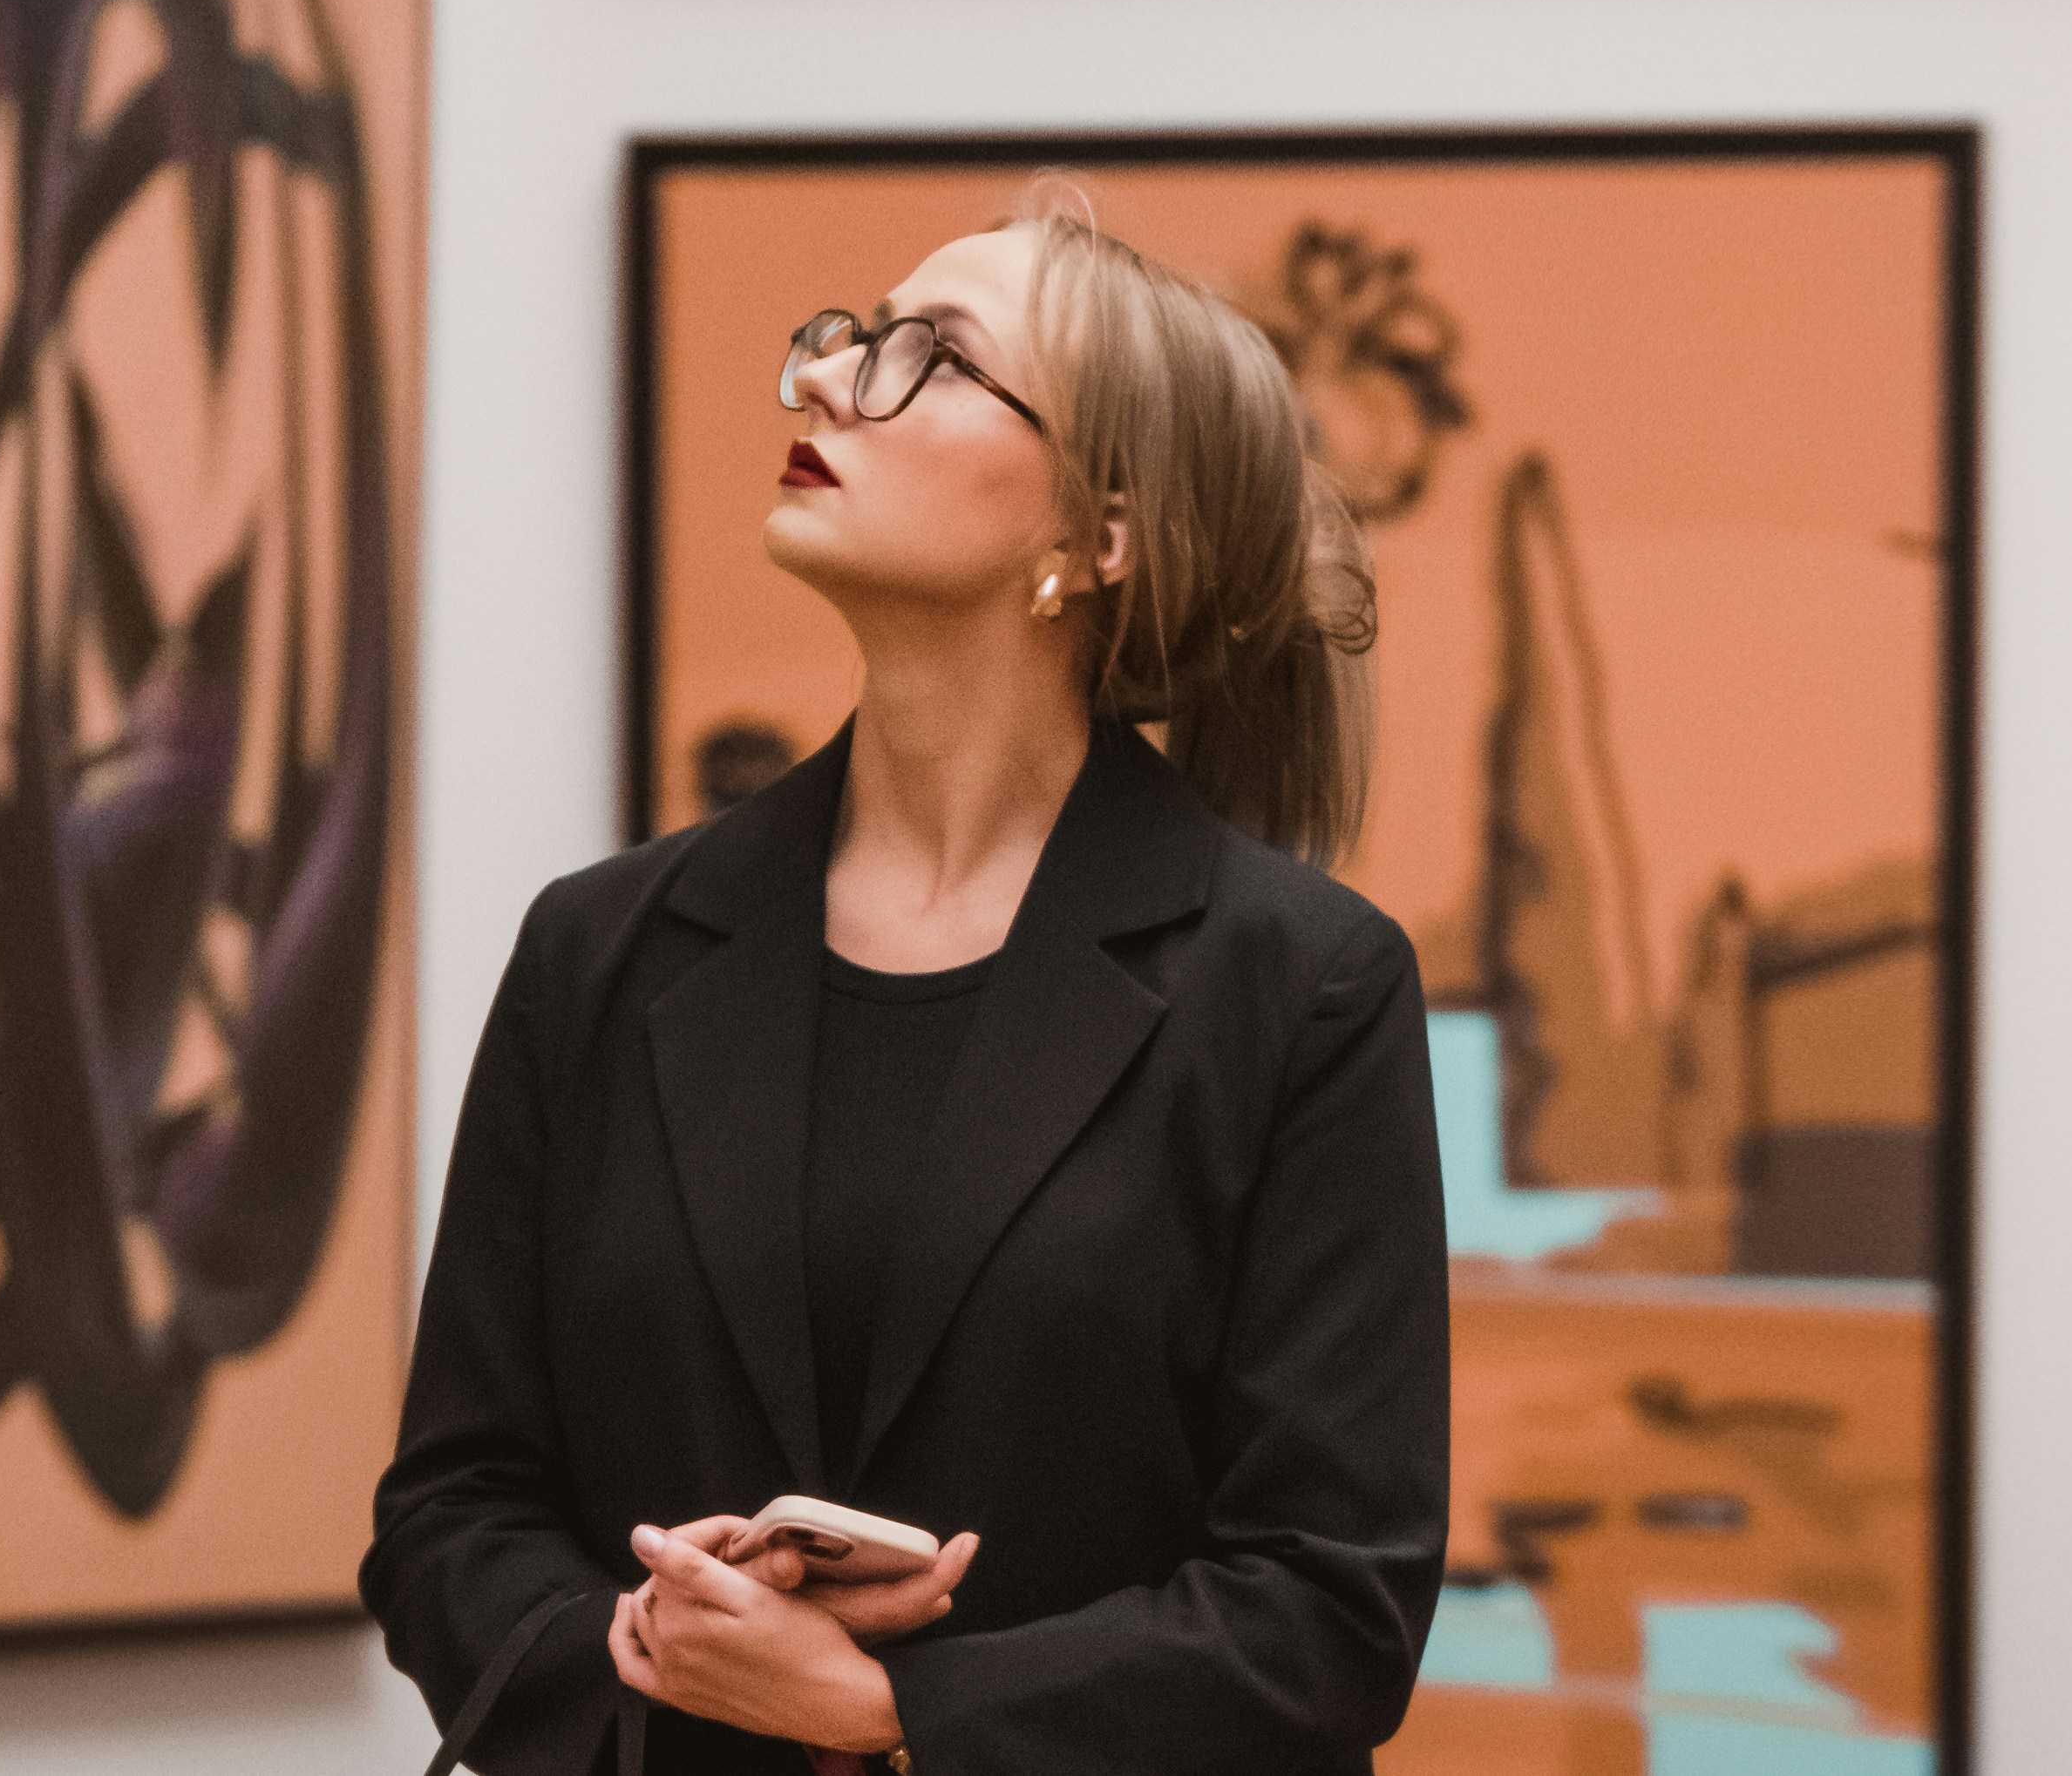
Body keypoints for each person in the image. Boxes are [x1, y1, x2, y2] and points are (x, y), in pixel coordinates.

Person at [363, 191, 1450, 1774]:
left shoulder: (1302, 988)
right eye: (854, 334)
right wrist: (676, 1669)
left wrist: (886, 1717)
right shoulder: (595, 951)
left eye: (933, 359)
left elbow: (1327, 1608)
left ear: (1099, 534)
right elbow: (449, 1516)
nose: (824, 380)